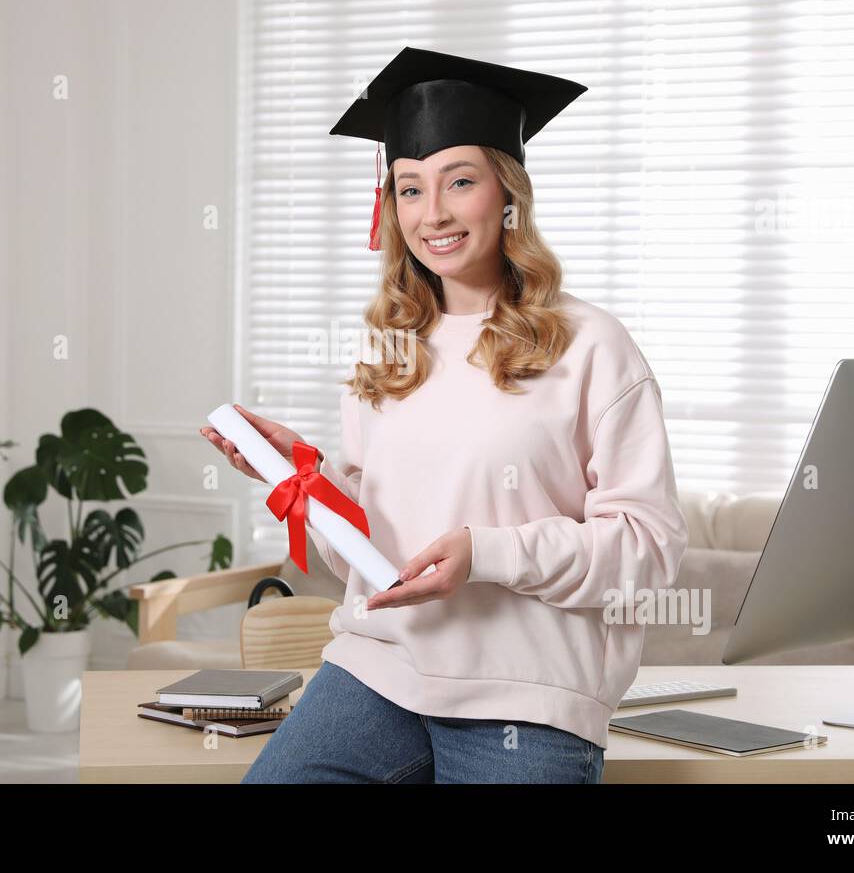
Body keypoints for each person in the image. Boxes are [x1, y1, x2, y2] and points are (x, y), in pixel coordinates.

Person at [199, 47, 689, 783]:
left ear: (507, 193)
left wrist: (484, 554)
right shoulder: (389, 351)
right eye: (410, 189)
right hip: (380, 667)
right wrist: (305, 477)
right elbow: (370, 562)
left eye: (459, 182)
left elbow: (648, 553)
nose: (434, 214)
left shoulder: (592, 346)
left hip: (529, 695)